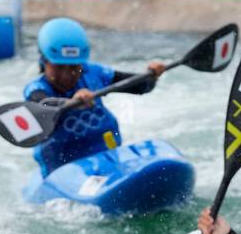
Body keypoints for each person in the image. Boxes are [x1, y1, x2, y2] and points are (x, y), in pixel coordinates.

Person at [25, 17, 166, 177]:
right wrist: (72, 103)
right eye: (59, 67)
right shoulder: (36, 89)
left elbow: (140, 87)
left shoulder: (94, 72)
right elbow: (42, 104)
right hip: (62, 167)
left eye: (74, 68)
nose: (66, 75)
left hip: (106, 154)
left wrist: (152, 75)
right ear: (44, 61)